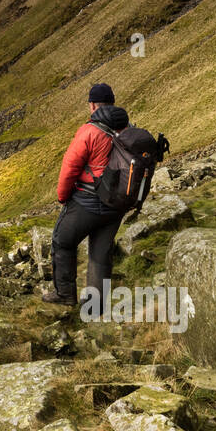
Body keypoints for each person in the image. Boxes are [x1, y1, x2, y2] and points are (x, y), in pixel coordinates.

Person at [42, 82, 130, 315]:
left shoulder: (89, 131)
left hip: (87, 203)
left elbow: (70, 167)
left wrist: (63, 197)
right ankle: (95, 308)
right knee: (100, 253)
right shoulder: (127, 128)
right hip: (116, 205)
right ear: (112, 102)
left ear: (92, 105)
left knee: (63, 241)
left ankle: (65, 294)